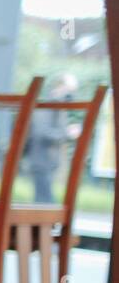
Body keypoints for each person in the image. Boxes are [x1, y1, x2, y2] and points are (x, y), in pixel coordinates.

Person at [24, 74, 80, 203]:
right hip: (42, 160)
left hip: (48, 161)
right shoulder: (48, 105)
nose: (70, 95)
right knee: (44, 201)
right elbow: (42, 132)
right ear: (59, 86)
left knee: (44, 200)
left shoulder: (57, 106)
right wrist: (67, 133)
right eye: (69, 89)